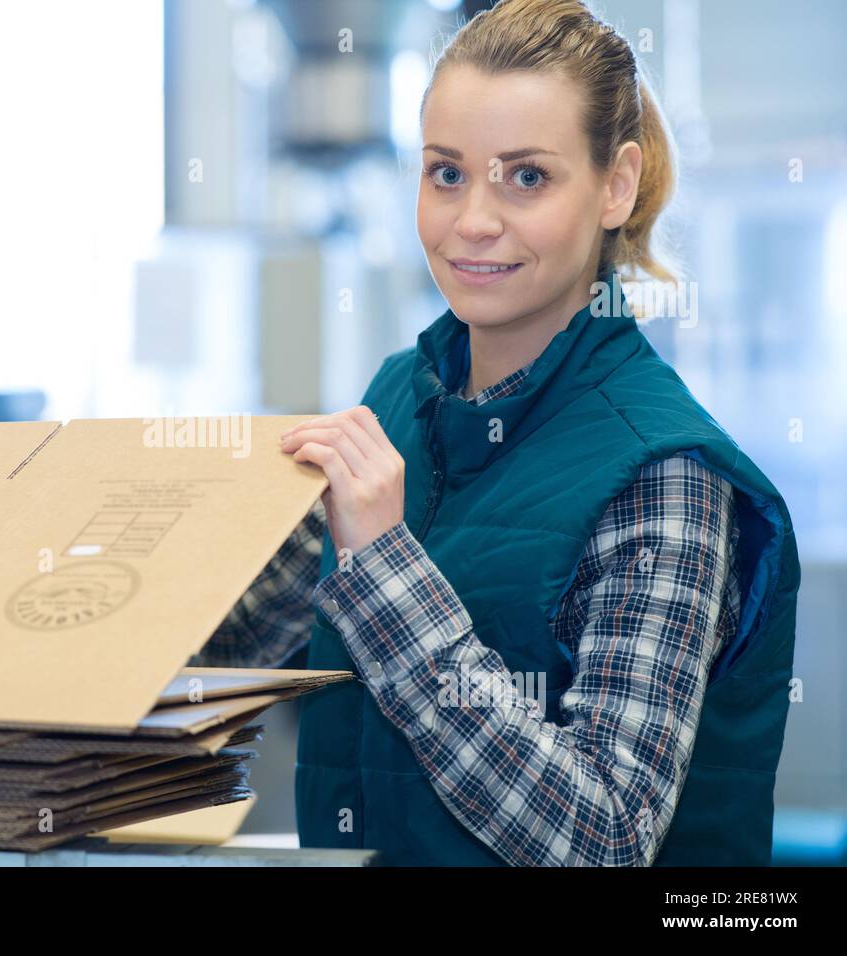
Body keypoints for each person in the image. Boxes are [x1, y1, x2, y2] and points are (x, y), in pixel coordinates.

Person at [190, 0, 799, 866]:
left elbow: (606, 837)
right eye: (446, 173)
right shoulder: (399, 396)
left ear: (615, 186)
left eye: (526, 178)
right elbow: (225, 651)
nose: (473, 220)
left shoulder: (664, 474)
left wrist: (386, 571)